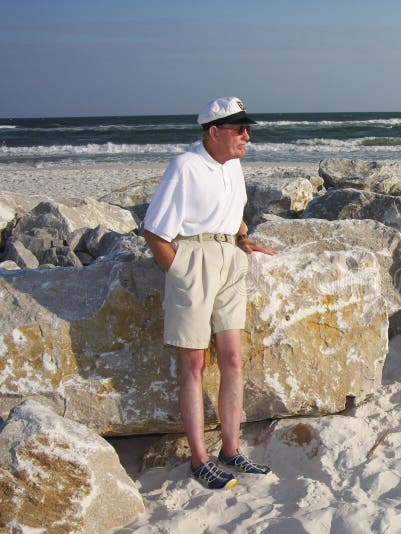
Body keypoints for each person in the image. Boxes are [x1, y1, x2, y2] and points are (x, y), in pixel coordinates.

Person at [143, 97, 277, 490]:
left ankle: (231, 450)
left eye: (247, 129)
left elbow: (234, 211)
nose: (246, 136)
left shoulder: (233, 165)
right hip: (193, 260)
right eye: (239, 130)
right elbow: (154, 230)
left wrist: (242, 237)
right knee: (193, 364)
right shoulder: (184, 166)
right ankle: (199, 458)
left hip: (231, 260)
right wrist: (181, 272)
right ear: (213, 131)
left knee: (232, 358)